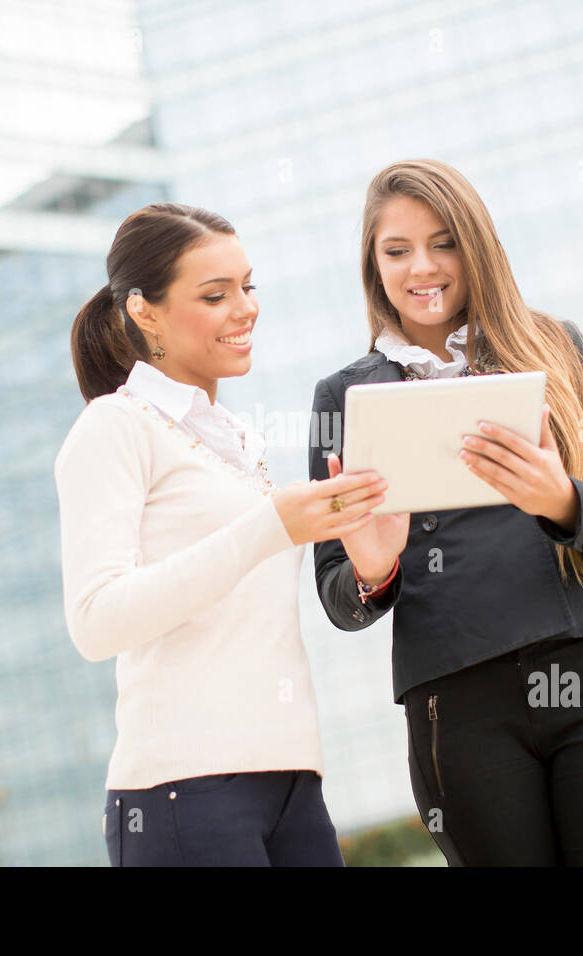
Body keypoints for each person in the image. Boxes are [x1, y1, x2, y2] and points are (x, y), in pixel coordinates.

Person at [308, 159, 583, 865]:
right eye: (397, 250)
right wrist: (374, 565)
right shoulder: (342, 397)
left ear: (476, 246)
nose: (423, 266)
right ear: (373, 264)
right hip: (457, 706)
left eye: (444, 242)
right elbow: (339, 599)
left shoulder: (553, 347)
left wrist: (559, 501)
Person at [56, 201, 386, 866]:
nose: (245, 309)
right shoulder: (115, 426)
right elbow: (95, 621)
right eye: (215, 295)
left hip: (292, 777)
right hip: (183, 789)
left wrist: (373, 562)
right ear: (143, 310)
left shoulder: (238, 443)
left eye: (247, 286)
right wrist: (268, 527)